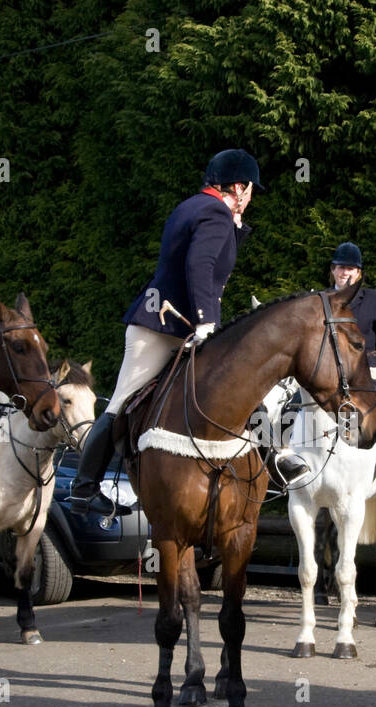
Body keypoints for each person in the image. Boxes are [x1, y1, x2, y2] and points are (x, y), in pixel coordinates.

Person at [70, 149, 265, 515]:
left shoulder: (192, 207)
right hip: (167, 328)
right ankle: (84, 490)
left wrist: (236, 229)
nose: (252, 198)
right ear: (239, 187)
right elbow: (200, 264)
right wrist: (207, 320)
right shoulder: (215, 213)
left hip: (174, 323)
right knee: (122, 402)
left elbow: (208, 262)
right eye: (251, 190)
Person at [260, 242, 376, 494]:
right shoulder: (319, 300)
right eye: (341, 268)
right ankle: (281, 464)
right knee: (289, 407)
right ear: (332, 271)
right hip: (326, 377)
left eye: (351, 269)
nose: (345, 273)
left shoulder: (374, 299)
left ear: (358, 273)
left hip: (367, 375)